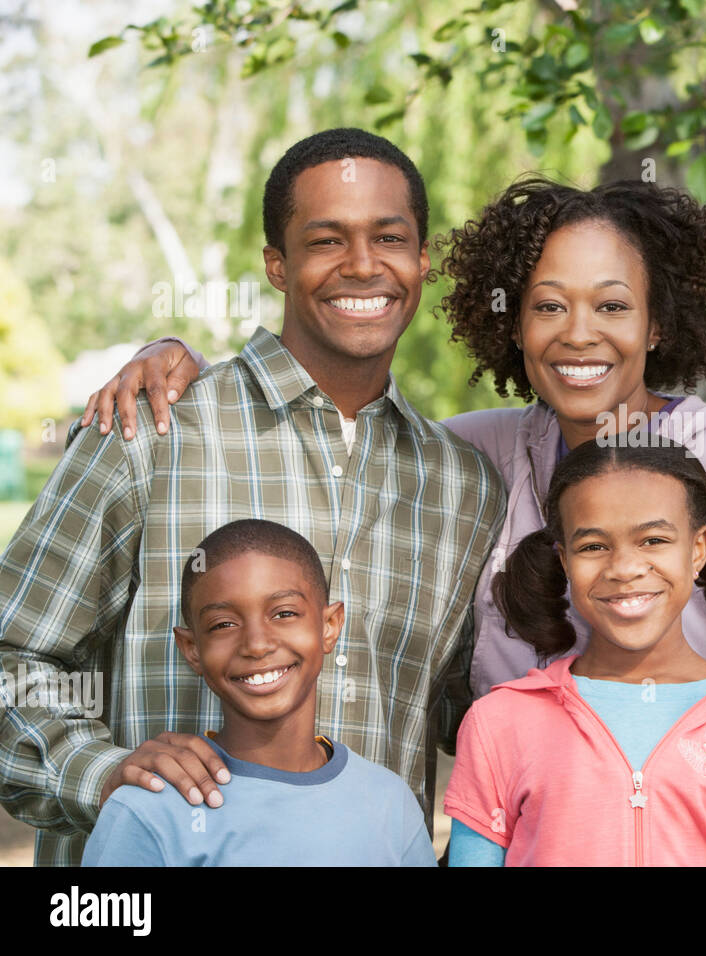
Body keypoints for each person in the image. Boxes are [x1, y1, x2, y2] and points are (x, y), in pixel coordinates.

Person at [76, 177, 706, 823]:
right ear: (512, 321)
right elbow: (336, 435)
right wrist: (181, 366)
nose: (580, 335)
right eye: (548, 306)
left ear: (656, 323)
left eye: (611, 307)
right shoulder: (479, 453)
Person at [0, 128, 505, 866]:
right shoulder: (153, 428)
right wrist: (101, 772)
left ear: (422, 260)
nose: (363, 266)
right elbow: (15, 649)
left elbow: (478, 715)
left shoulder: (462, 485)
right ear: (277, 264)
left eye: (389, 238)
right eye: (327, 241)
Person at [444, 439, 706, 866]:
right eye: (593, 546)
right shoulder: (499, 722)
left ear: (698, 548)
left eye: (653, 540)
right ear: (565, 559)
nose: (624, 568)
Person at [82, 520, 436, 866]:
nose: (257, 644)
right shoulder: (150, 809)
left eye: (284, 613)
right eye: (224, 624)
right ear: (191, 649)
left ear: (329, 626)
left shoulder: (389, 802)